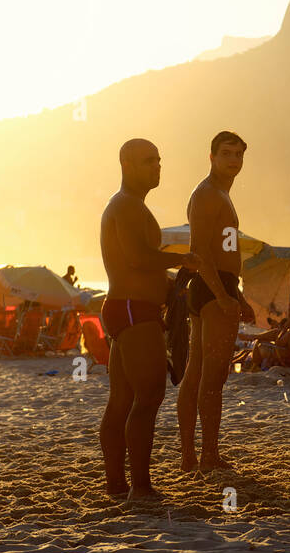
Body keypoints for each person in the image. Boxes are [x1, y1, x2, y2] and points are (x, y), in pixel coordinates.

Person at [99, 139, 199, 500]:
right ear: (125, 163)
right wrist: (184, 259)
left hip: (125, 308)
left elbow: (139, 265)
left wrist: (172, 282)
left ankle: (116, 484)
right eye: (147, 161)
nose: (156, 167)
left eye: (158, 160)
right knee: (149, 395)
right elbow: (138, 258)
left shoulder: (130, 206)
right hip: (132, 309)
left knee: (123, 400)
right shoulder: (126, 206)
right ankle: (140, 487)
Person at [177, 131, 254, 474]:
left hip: (216, 287)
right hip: (211, 288)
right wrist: (223, 295)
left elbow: (223, 252)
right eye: (227, 154)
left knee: (196, 373)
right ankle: (206, 456)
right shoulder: (207, 194)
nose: (234, 161)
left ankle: (191, 457)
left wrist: (236, 293)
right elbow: (200, 252)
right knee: (212, 377)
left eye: (239, 154)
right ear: (211, 157)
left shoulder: (220, 193)